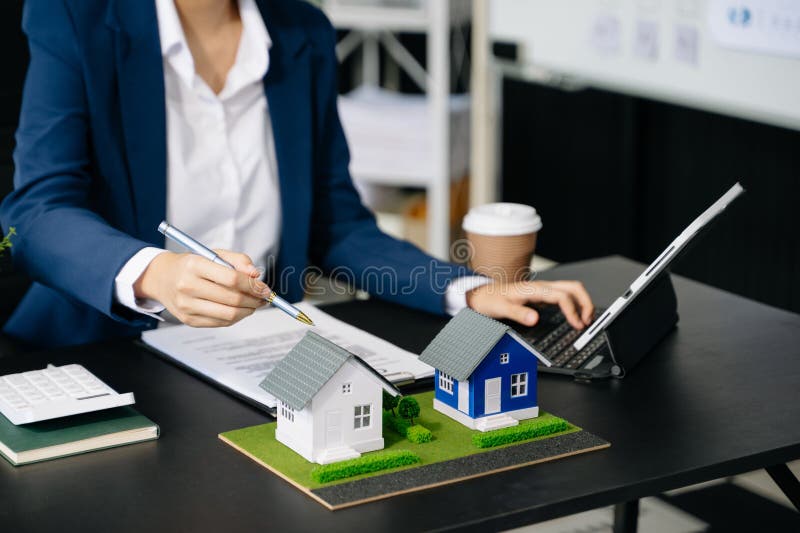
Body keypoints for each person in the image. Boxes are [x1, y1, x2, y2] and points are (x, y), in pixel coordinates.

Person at [0, 0, 593, 348]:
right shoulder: (75, 15)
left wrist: (467, 290)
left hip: (258, 355)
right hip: (100, 355)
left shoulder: (301, 31)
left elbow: (338, 227)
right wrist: (156, 272)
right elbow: (34, 215)